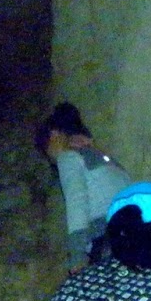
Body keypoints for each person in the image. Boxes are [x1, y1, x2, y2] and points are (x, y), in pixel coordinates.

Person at [36, 103, 133, 271]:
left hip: (107, 238)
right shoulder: (105, 158)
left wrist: (77, 255)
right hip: (135, 231)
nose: (51, 159)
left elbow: (77, 202)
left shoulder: (68, 158)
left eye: (47, 152)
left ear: (54, 136)